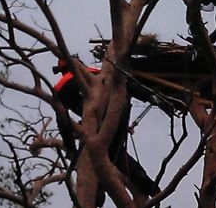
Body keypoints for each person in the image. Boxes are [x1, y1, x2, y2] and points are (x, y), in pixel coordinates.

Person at [52, 57, 158, 199]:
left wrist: (70, 147)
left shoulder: (60, 87)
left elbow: (63, 121)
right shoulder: (97, 73)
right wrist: (149, 96)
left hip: (100, 120)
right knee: (116, 152)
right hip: (119, 110)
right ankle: (149, 186)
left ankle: (97, 194)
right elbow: (126, 85)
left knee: (102, 155)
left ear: (62, 71)